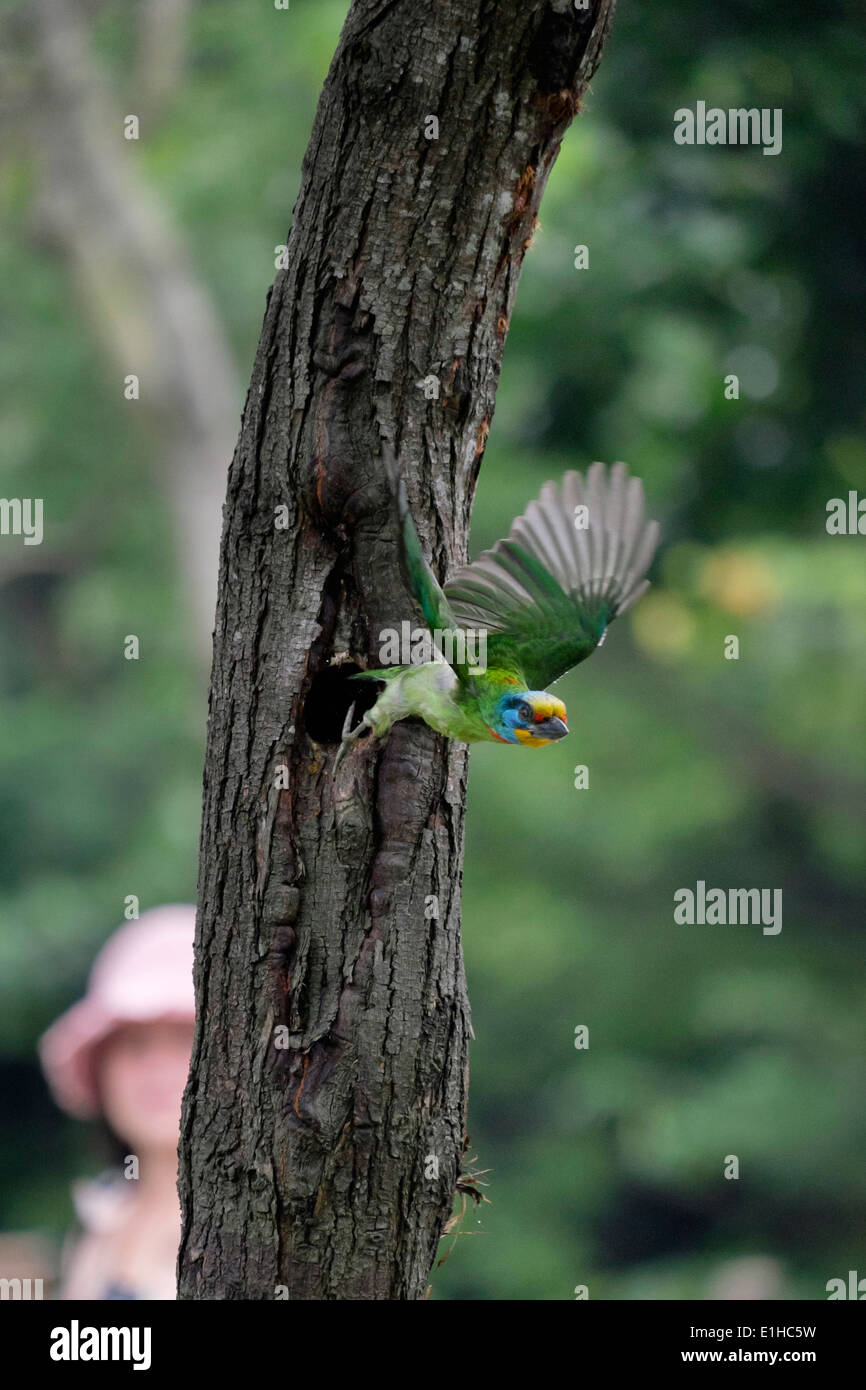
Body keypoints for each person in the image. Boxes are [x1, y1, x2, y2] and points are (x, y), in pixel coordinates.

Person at [38, 905, 196, 1299]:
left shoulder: (270, 1224)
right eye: (134, 1045)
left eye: (182, 1039)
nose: (156, 1069)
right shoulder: (102, 1218)